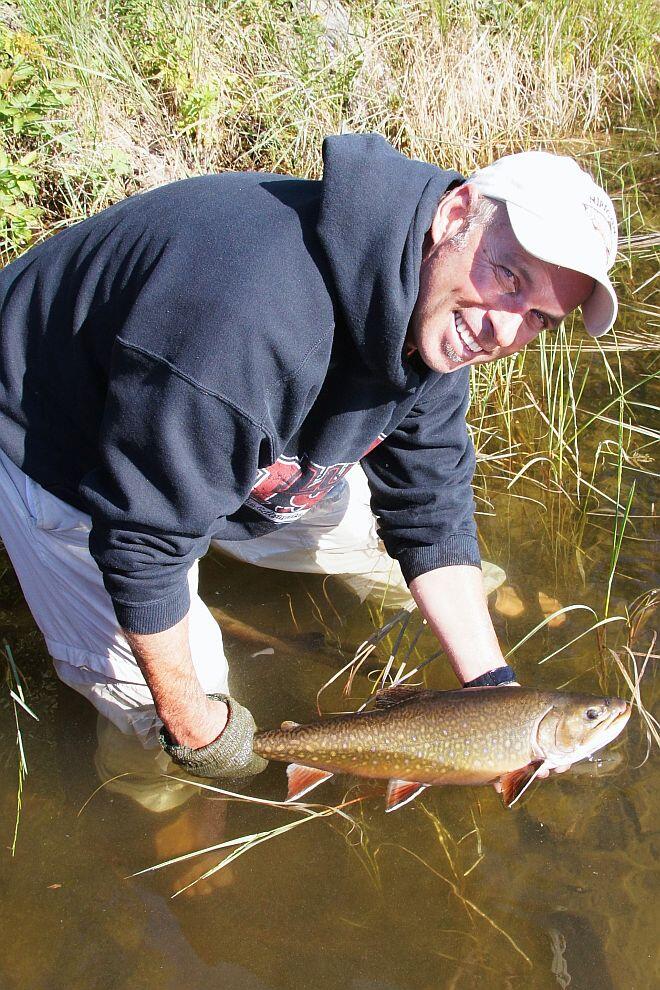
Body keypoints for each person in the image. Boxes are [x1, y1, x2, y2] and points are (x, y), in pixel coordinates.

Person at [0, 135, 618, 779]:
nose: (504, 328)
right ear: (455, 216)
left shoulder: (443, 314)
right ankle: (160, 830)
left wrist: (496, 696)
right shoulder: (249, 311)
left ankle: (216, 513)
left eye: (541, 317)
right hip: (62, 447)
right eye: (508, 276)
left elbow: (428, 507)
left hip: (202, 436)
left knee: (383, 549)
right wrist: (196, 730)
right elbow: (141, 542)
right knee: (173, 707)